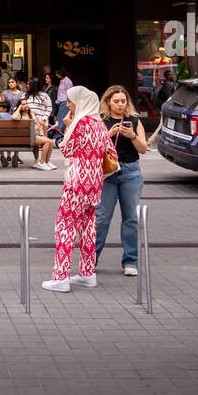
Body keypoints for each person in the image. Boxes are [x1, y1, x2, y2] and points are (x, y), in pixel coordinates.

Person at [42, 86, 116, 293]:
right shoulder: (99, 123)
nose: (68, 105)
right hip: (94, 184)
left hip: (76, 183)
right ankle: (87, 273)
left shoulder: (80, 123)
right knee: (88, 228)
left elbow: (66, 149)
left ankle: (61, 277)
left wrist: (68, 125)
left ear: (80, 102)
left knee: (65, 226)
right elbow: (112, 152)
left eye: (70, 101)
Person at [95, 86, 148, 277]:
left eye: (123, 101)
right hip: (108, 174)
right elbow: (94, 147)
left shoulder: (134, 120)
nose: (120, 105)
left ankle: (130, 261)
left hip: (130, 171)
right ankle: (91, 260)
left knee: (131, 218)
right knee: (102, 217)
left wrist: (131, 135)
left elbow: (143, 149)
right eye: (116, 101)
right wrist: (108, 135)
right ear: (108, 102)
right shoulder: (101, 120)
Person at [25, 76, 55, 170]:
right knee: (37, 143)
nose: (27, 85)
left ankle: (46, 161)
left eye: (29, 84)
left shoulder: (44, 95)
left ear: (34, 85)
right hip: (31, 123)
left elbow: (49, 108)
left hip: (42, 123)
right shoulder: (25, 95)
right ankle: (37, 161)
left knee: (46, 142)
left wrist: (44, 119)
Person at [0, 75, 24, 166]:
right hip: (6, 115)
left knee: (15, 136)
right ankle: (9, 156)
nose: (10, 84)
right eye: (9, 82)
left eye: (12, 82)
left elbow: (23, 104)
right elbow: (2, 105)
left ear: (16, 83)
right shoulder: (5, 92)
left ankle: (16, 155)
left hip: (17, 115)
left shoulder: (21, 93)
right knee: (7, 135)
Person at [54, 66, 73, 131]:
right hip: (60, 103)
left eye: (58, 73)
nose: (57, 75)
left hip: (65, 103)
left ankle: (59, 135)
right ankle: (58, 134)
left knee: (61, 121)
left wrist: (68, 103)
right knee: (59, 120)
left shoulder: (67, 81)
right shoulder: (61, 81)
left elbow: (70, 93)